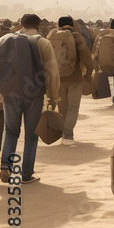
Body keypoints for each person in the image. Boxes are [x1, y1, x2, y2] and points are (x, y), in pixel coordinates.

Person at [0, 13, 60, 184]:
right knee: (31, 135)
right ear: (38, 25)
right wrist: (53, 96)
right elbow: (52, 70)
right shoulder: (42, 42)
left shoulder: (7, 41)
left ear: (21, 24)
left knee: (11, 132)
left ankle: (5, 167)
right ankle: (26, 174)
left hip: (10, 93)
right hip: (34, 94)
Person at [48, 15, 93, 145]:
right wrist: (89, 73)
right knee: (73, 107)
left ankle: (64, 133)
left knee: (62, 107)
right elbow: (86, 56)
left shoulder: (51, 36)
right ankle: (68, 135)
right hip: (75, 78)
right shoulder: (76, 36)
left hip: (57, 78)